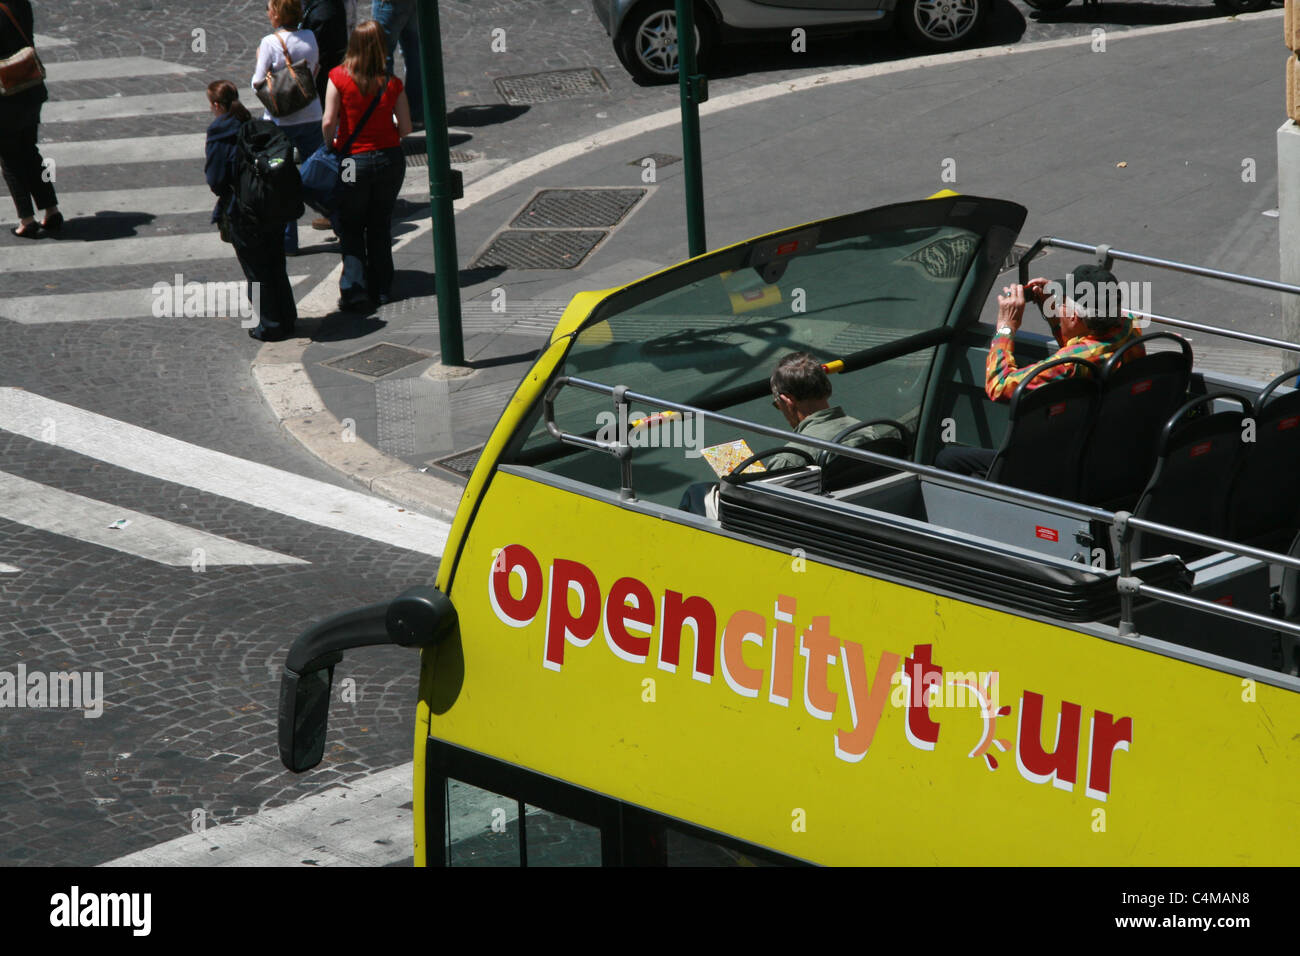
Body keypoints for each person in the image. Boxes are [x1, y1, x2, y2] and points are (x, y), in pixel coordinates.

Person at [935, 264, 1145, 477]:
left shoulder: (1070, 365)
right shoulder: (1129, 328)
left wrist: (1005, 328)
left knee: (948, 459)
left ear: (1073, 317)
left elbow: (999, 386)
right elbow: (1086, 346)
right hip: (1105, 449)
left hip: (1058, 461)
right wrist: (1052, 309)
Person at [680, 352, 883, 517]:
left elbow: (764, 508)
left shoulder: (791, 458)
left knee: (698, 494)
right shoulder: (868, 431)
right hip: (862, 510)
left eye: (777, 404)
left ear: (787, 401)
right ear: (826, 389)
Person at [322, 19, 411, 311]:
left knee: (350, 225)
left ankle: (355, 290)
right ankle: (382, 287)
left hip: (351, 161)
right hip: (389, 160)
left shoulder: (337, 77)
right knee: (380, 224)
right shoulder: (392, 83)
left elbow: (328, 121)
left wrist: (331, 145)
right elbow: (407, 128)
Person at [205, 80, 298, 342]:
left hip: (243, 211)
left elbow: (215, 179)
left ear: (216, 105)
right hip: (273, 206)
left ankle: (268, 324)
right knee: (276, 263)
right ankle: (287, 318)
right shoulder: (255, 125)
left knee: (256, 270)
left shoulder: (219, 133)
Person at [252, 0, 322, 255]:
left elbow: (257, 83)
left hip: (280, 121)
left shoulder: (269, 43)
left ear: (277, 13)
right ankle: (338, 221)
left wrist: (262, 60)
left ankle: (288, 241)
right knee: (320, 171)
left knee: (281, 183)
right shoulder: (310, 36)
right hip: (311, 113)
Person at [0, 0, 60, 238]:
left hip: (5, 94)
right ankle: (51, 210)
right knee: (29, 150)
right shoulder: (20, 3)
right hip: (31, 87)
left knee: (10, 158)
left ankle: (26, 219)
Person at [371, 0, 423, 129]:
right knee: (414, 54)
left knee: (382, 57)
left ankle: (385, 115)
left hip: (390, 4)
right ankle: (415, 113)